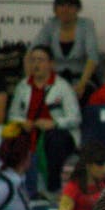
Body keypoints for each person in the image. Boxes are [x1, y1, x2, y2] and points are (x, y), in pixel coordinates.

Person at [8, 44, 81, 194]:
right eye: (33, 60)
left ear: (51, 64)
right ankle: (16, 189)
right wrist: (23, 123)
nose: (36, 64)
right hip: (30, 132)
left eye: (40, 60)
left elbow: (75, 117)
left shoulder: (62, 87)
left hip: (58, 135)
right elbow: (12, 115)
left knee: (54, 139)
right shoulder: (23, 86)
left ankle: (52, 189)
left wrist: (55, 123)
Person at [32, 0, 100, 104]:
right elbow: (33, 51)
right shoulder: (51, 25)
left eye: (70, 5)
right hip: (54, 80)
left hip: (82, 79)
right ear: (55, 9)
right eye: (61, 5)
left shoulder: (86, 25)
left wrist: (81, 85)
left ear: (77, 8)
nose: (65, 9)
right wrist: (32, 81)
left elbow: (93, 57)